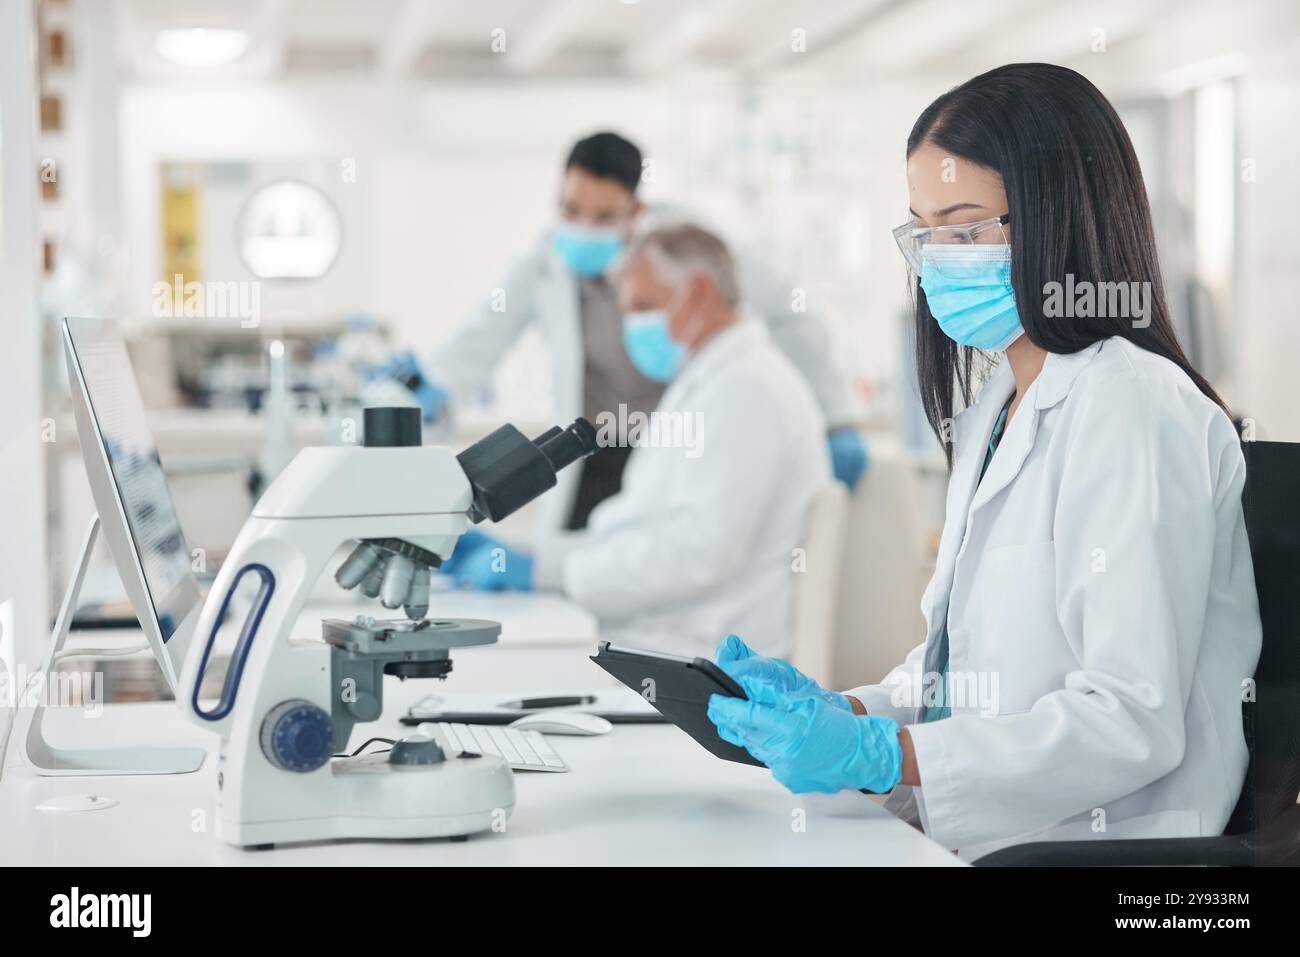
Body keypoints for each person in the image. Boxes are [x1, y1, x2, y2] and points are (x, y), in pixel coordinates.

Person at [705, 63, 1262, 861]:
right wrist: (846, 712)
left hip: (1107, 849)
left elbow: (1129, 717)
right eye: (924, 232)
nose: (939, 260)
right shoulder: (1000, 406)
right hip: (1003, 834)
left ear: (1058, 217)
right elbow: (961, 677)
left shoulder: (1135, 407)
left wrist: (885, 754)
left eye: (965, 230)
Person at [377, 131, 865, 539]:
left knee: (662, 569)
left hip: (675, 444)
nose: (583, 228)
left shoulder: (683, 248)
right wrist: (433, 389)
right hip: (591, 454)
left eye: (604, 217)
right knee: (586, 575)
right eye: (571, 210)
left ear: (636, 211)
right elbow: (483, 336)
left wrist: (837, 419)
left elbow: (789, 312)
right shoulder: (541, 267)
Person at [440, 223, 831, 658]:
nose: (633, 328)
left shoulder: (746, 389)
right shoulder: (709, 382)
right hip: (666, 636)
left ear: (698, 292)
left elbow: (698, 555)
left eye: (643, 306)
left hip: (704, 657)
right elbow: (638, 531)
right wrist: (536, 557)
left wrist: (548, 573)